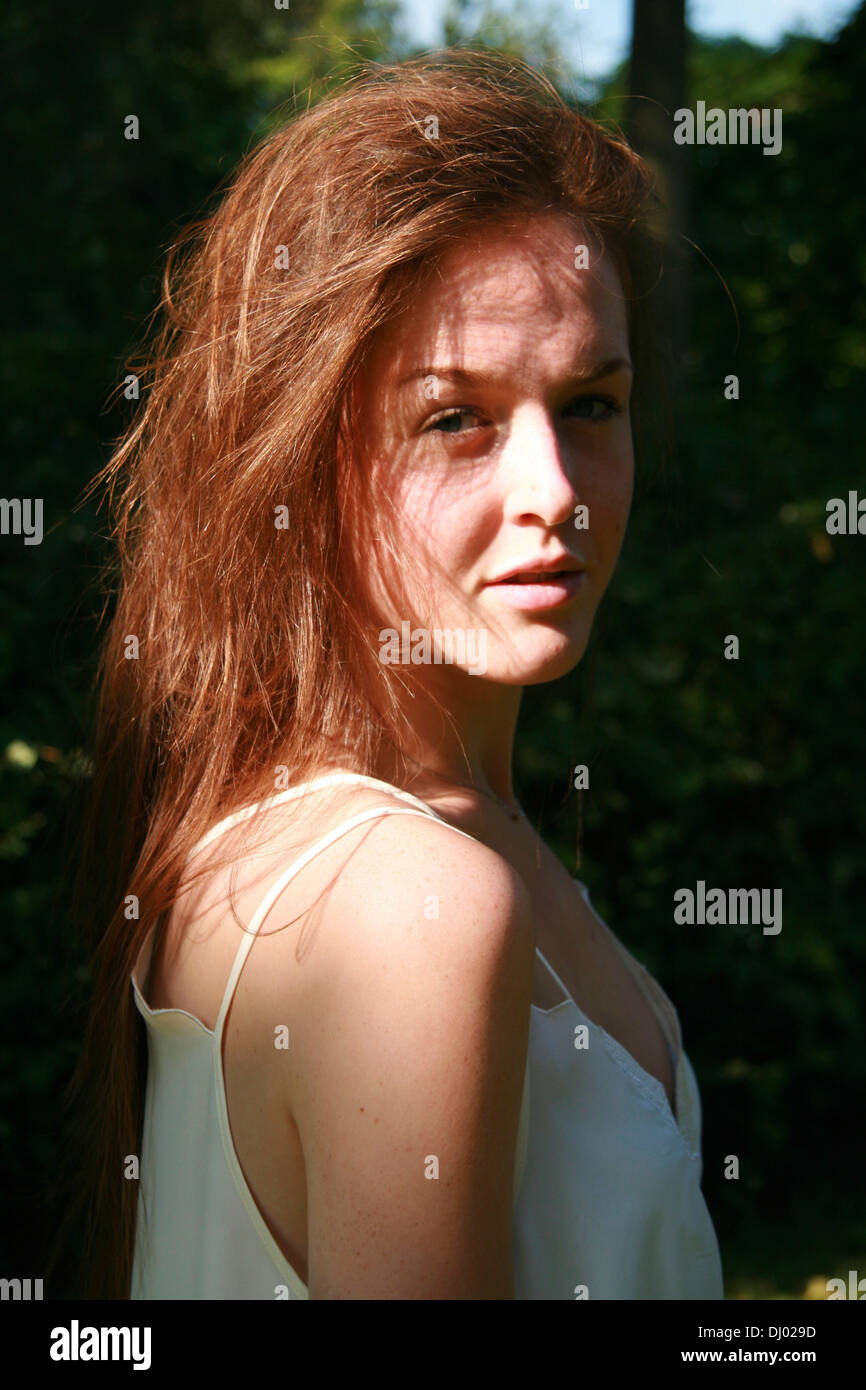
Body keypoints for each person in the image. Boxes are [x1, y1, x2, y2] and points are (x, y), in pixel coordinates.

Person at [47, 47, 724, 1300]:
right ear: (304, 453)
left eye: (590, 405)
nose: (557, 496)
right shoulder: (412, 902)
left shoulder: (268, 836)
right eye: (453, 417)